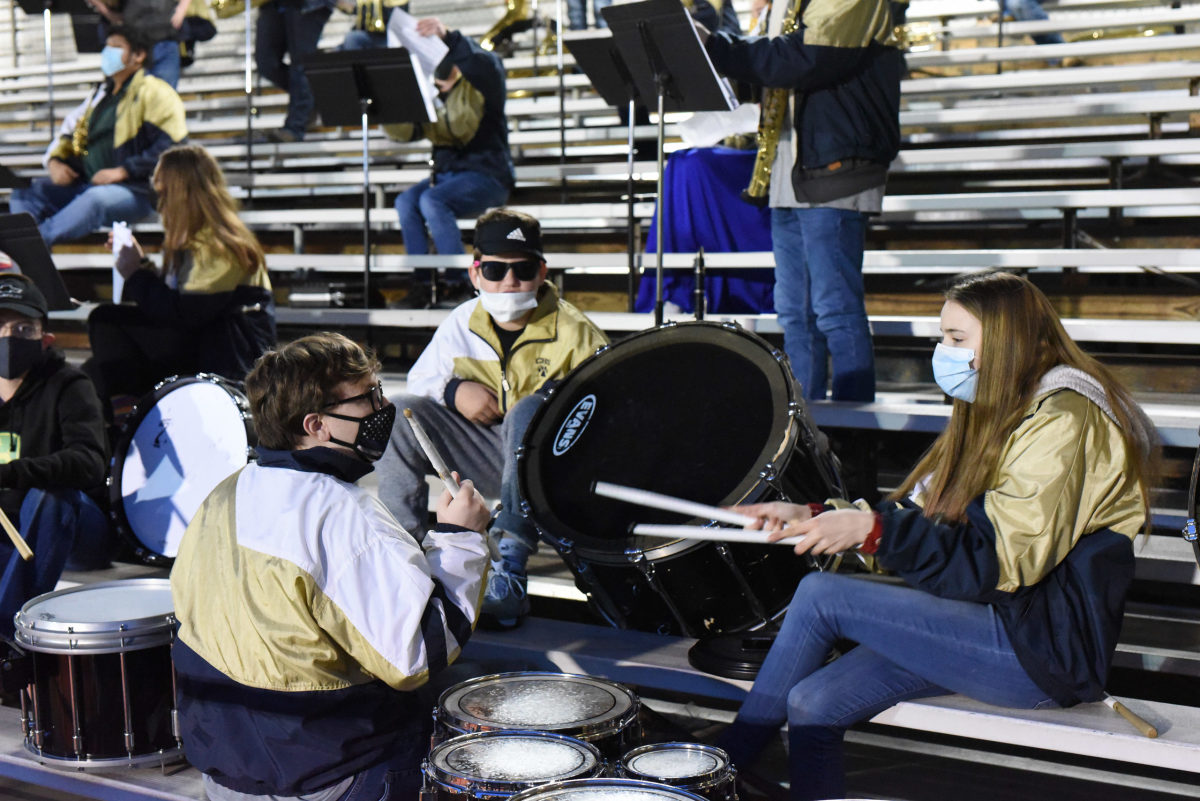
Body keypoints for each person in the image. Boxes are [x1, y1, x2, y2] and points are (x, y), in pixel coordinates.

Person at [713, 271, 1156, 801]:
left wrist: (875, 533)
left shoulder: (1062, 418)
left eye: (956, 338)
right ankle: (733, 769)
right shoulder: (998, 401)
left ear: (1007, 341)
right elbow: (922, 513)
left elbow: (1004, 565)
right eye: (941, 337)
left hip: (1038, 649)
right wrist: (814, 515)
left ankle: (722, 768)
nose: (941, 351)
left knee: (821, 594)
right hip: (987, 624)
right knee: (812, 702)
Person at [171, 332, 492, 800]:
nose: (382, 407)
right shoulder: (342, 514)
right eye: (368, 397)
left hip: (226, 769)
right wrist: (460, 539)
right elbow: (417, 656)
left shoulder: (223, 494)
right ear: (317, 424)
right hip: (331, 774)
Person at [377, 208, 608, 627]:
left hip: (554, 468)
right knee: (398, 413)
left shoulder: (577, 332)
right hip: (489, 454)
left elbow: (607, 413)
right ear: (475, 273)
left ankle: (511, 574)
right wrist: (453, 390)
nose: (509, 281)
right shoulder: (462, 321)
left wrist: (547, 403)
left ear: (542, 271)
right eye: (497, 269)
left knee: (527, 411)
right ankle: (404, 559)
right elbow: (419, 381)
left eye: (521, 268)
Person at [697, 0, 903, 403]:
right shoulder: (785, 4)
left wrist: (717, 47)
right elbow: (771, 68)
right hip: (789, 167)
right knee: (794, 314)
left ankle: (853, 437)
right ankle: (803, 433)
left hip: (836, 166)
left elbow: (803, 58)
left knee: (835, 310)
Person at [82, 145, 275, 419]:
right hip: (200, 344)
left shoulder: (219, 244)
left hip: (226, 358)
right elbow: (176, 304)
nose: (158, 203)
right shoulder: (196, 239)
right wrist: (142, 265)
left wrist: (136, 274)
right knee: (94, 371)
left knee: (105, 320)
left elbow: (185, 314)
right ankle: (126, 426)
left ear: (182, 194)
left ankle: (130, 420)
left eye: (162, 193)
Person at [0, 274, 111, 644]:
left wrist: (12, 474)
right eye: (0, 326)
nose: (9, 337)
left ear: (43, 336)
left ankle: (9, 640)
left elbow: (90, 462)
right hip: (7, 533)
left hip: (73, 528)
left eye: (22, 327)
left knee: (49, 496)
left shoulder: (69, 384)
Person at [9, 27, 187, 248]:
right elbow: (70, 134)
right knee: (25, 193)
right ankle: (27, 252)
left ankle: (25, 249)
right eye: (106, 47)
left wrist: (124, 171)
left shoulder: (157, 92)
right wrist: (56, 162)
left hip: (136, 191)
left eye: (116, 47)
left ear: (138, 55)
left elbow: (172, 146)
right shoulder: (100, 95)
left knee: (95, 200)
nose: (107, 52)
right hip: (87, 185)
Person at [385, 17, 515, 309]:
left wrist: (448, 37)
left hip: (487, 175)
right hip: (447, 176)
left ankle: (458, 283)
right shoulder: (431, 93)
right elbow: (405, 133)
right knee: (406, 201)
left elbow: (485, 63)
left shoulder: (482, 81)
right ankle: (422, 283)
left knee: (432, 200)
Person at [256, 0, 336, 143]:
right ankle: (311, 98)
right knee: (266, 63)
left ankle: (294, 128)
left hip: (310, 5)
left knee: (300, 64)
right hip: (273, 4)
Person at [85, 0, 188, 87]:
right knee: (126, 96)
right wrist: (107, 13)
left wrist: (182, 8)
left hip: (165, 39)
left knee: (164, 96)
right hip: (131, 43)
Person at [336, 0, 409, 50]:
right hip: (370, 34)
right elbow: (356, 9)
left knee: (352, 38)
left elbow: (391, 18)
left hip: (387, 37)